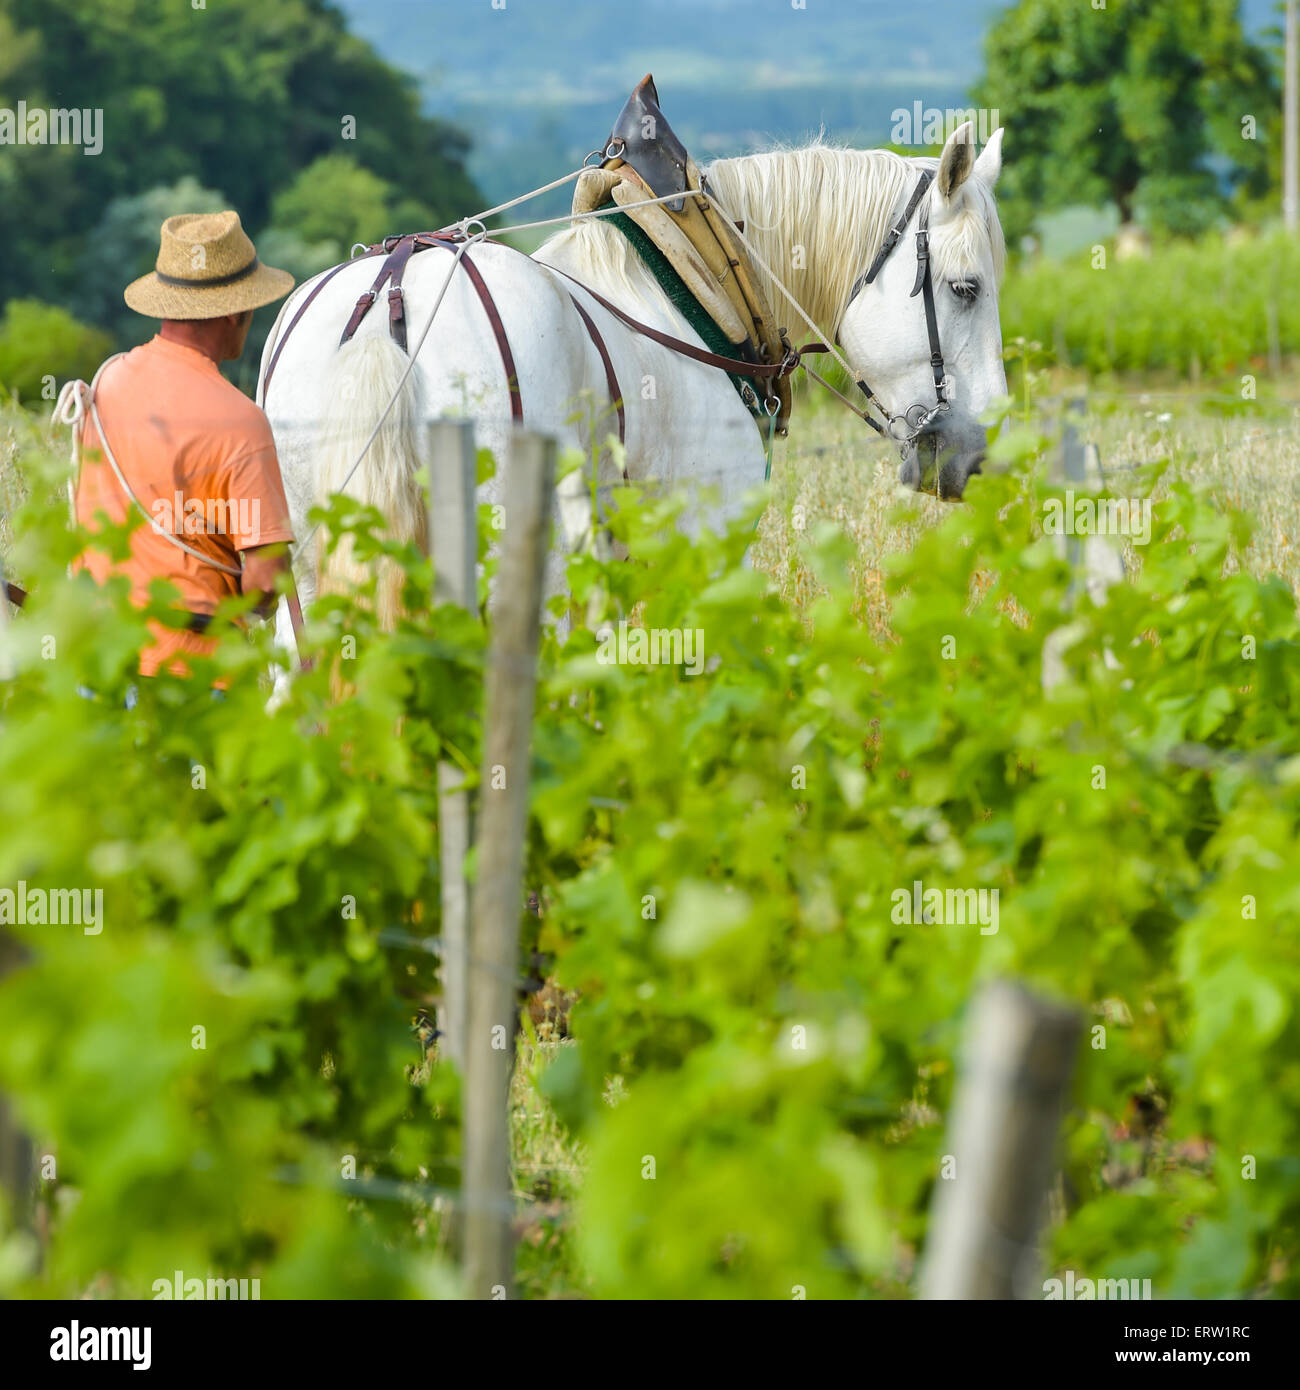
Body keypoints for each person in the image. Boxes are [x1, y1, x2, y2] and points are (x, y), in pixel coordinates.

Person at [74, 210, 296, 679]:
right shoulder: (241, 422)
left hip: (97, 658)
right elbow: (264, 578)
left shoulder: (106, 381)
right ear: (237, 308)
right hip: (191, 677)